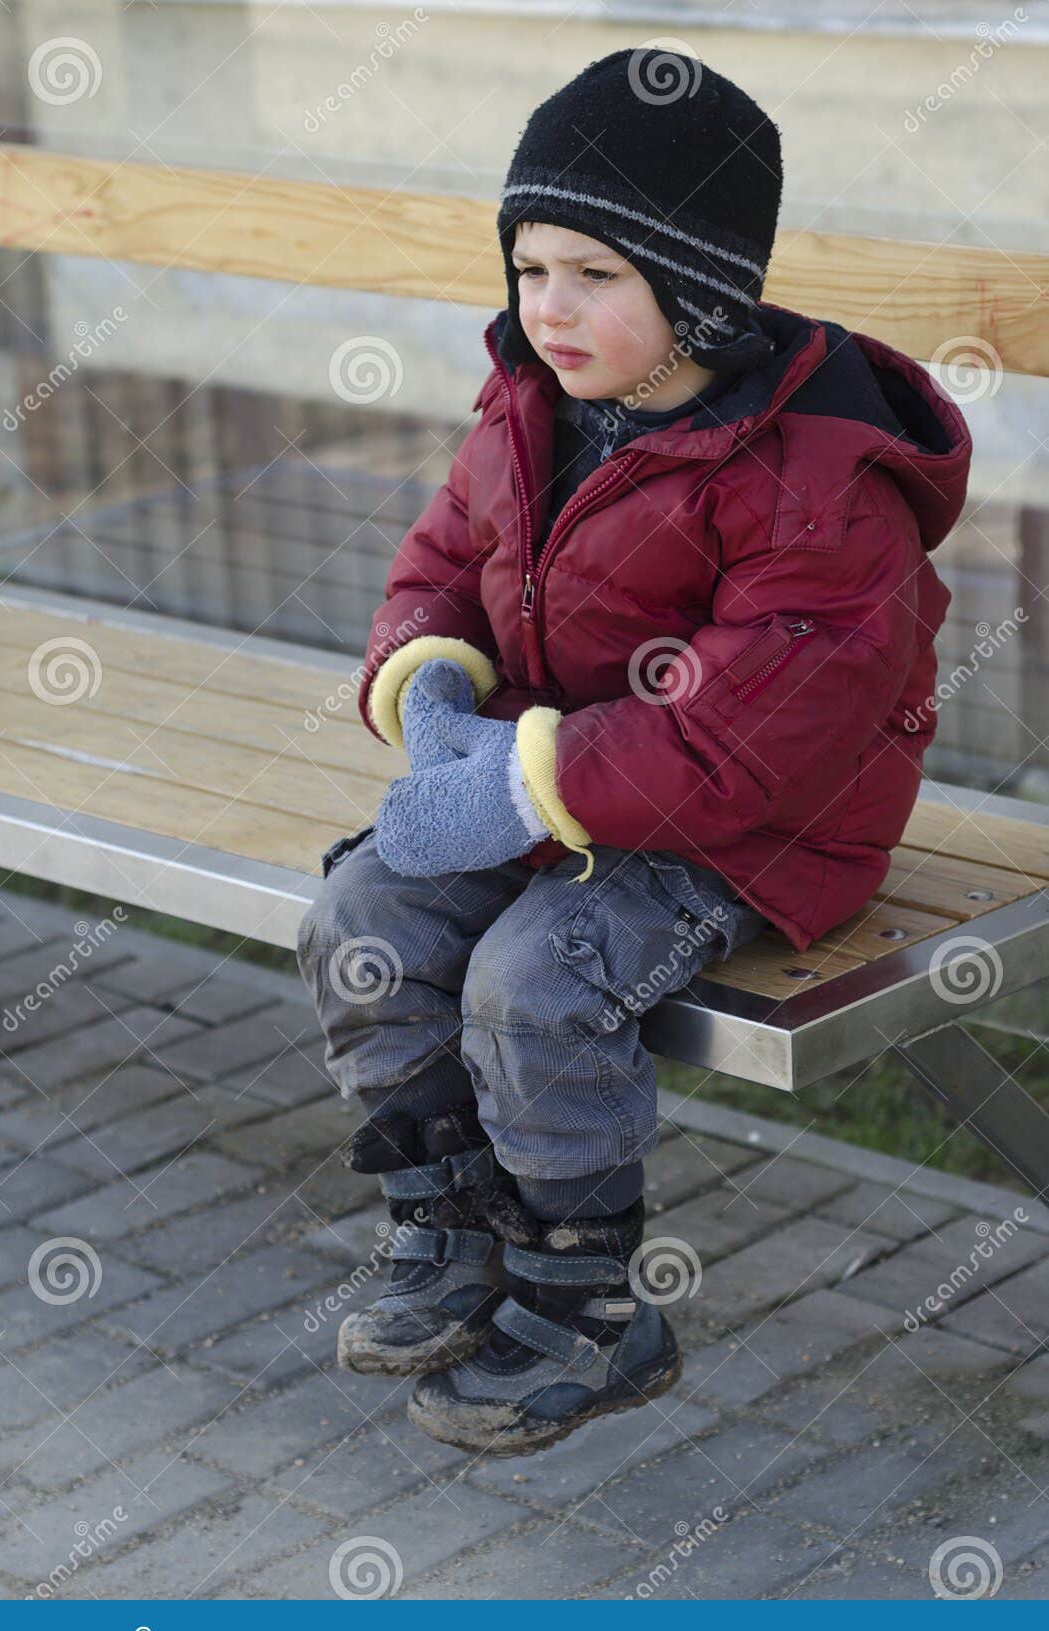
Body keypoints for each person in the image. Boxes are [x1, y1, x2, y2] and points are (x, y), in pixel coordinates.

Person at [297, 47, 971, 1458]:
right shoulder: (534, 405)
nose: (549, 306)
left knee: (534, 975)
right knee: (364, 911)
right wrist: (433, 682)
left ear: (701, 294)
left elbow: (749, 739)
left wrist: (512, 786)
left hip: (756, 825)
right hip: (561, 782)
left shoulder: (817, 478)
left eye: (596, 274)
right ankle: (453, 1225)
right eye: (532, 266)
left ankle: (592, 1295)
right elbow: (446, 556)